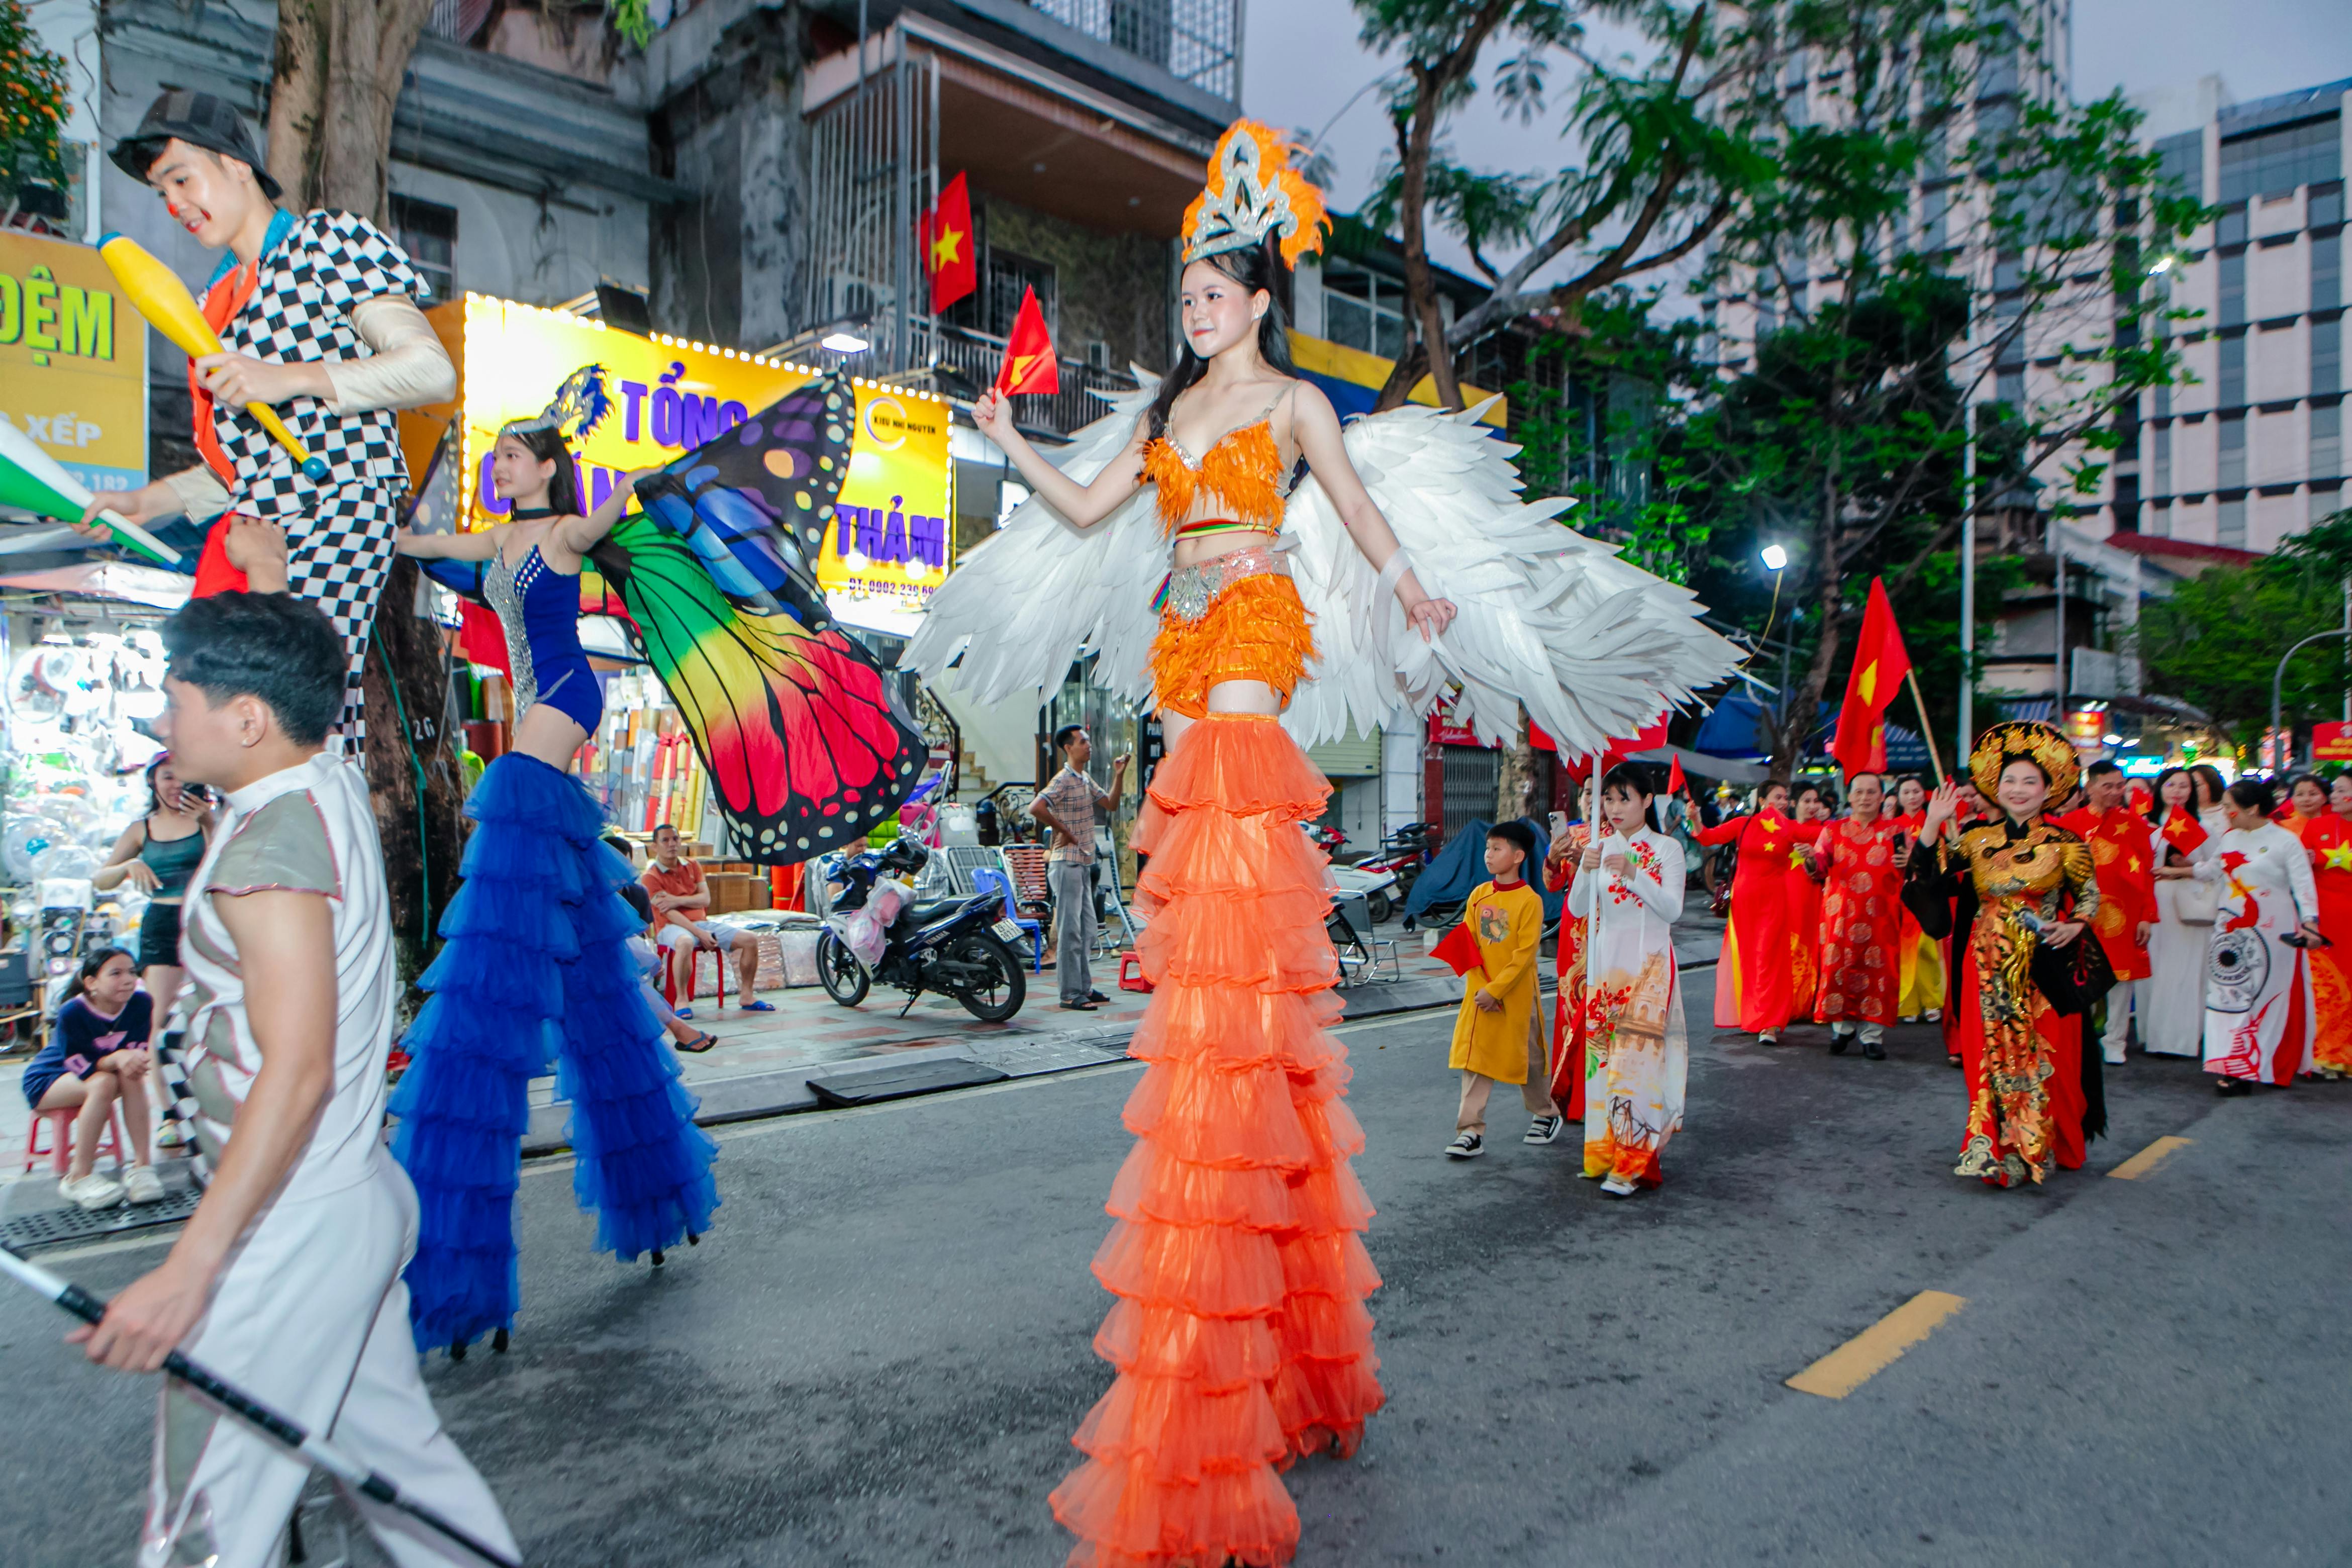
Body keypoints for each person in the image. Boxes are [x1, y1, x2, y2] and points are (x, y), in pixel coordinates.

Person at [69, 591, 516, 1568]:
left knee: (204, 1526)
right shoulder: (322, 777)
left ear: (246, 719)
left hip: (293, 1225)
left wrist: (193, 1270)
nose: (160, 721)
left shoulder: (270, 852)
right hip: (345, 1197)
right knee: (407, 1486)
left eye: (174, 698)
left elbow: (299, 1069)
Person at [390, 428, 721, 1357]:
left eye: (512, 455)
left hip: (568, 696)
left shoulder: (568, 533)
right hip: (538, 708)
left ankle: (463, 1273)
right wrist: (372, 515)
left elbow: (610, 513)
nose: (499, 466)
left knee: (502, 875)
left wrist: (643, 480)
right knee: (583, 954)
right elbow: (418, 543)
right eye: (494, 456)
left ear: (546, 467)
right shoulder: (497, 541)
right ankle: (657, 1198)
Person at [85, 92, 456, 746]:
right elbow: (255, 465)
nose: (174, 204)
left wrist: (289, 378)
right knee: (255, 728)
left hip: (336, 507)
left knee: (294, 724)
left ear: (236, 163)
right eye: (162, 192)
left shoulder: (328, 241)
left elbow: (431, 371)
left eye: (181, 179)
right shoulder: (219, 298)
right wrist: (149, 501)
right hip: (257, 533)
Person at [1907, 722, 2100, 1189]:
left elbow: (2090, 895)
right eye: (2010, 780)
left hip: (2044, 962)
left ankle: (2037, 1145)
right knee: (1988, 1053)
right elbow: (1926, 875)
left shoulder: (2066, 844)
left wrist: (2075, 924)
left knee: (2044, 1053)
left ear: (2049, 789)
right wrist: (1933, 822)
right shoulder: (1975, 840)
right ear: (1996, 786)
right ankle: (1997, 1148)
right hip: (1984, 962)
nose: (2018, 789)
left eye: (2030, 781)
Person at [1557, 765, 1687, 1195]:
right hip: (1606, 967)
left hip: (1649, 967)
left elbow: (1672, 910)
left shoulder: (1668, 849)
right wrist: (1584, 868)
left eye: (1623, 799)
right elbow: (1577, 909)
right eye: (1608, 799)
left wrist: (1634, 873)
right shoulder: (1600, 846)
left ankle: (1632, 1165)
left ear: (1647, 800)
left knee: (1638, 1067)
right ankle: (1601, 1154)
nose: (1613, 808)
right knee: (1601, 1063)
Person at [2189, 775, 2320, 1095]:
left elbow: (2303, 886)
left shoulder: (2285, 841)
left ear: (2253, 808)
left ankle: (2253, 1066)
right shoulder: (2230, 838)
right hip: (2229, 928)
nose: (2225, 813)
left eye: (2230, 808)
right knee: (2225, 994)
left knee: (2264, 996)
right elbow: (2213, 869)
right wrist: (2177, 869)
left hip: (2273, 931)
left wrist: (2311, 922)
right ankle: (2226, 1063)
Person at [1444, 821, 1559, 1159]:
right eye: (1488, 848)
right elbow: (1467, 944)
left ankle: (1545, 1112)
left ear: (1518, 856)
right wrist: (1484, 990)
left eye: (1497, 849)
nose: (1488, 855)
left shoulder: (1530, 901)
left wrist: (1497, 991)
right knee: (1476, 1059)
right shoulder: (1479, 895)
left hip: (1517, 995)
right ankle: (1470, 1131)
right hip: (1480, 994)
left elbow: (1524, 956)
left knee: (1528, 1057)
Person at [21, 947, 164, 1209]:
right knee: (103, 1082)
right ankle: (78, 1177)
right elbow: (79, 1065)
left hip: (100, 1073)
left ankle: (142, 1167)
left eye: (132, 972)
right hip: (49, 1079)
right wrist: (117, 1058)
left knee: (130, 1074)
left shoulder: (141, 1004)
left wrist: (126, 1059)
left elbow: (134, 1052)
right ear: (91, 983)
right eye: (116, 973)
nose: (128, 980)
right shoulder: (73, 1012)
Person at [92, 754, 214, 1049]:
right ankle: (157, 1077)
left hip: (207, 919)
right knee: (158, 1017)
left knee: (211, 1011)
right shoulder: (141, 829)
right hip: (163, 924)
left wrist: (210, 822)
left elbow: (225, 864)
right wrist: (128, 866)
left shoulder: (210, 820)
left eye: (184, 778)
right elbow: (100, 880)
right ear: (153, 782)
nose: (177, 785)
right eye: (168, 777)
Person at [1693, 780, 1824, 1043]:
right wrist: (1695, 818)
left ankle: (1769, 1025)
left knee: (1769, 960)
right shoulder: (1743, 824)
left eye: (1786, 797)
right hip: (1744, 904)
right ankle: (1753, 1015)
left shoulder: (1789, 828)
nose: (1784, 802)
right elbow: (1708, 837)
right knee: (1749, 961)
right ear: (1762, 801)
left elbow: (1823, 835)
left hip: (1774, 903)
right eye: (1778, 797)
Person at [2053, 760, 2158, 1065]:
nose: (2115, 792)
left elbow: (2147, 873)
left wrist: (2147, 916)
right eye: (2108, 786)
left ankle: (2115, 1040)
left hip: (2124, 915)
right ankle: (2080, 1039)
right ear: (2089, 788)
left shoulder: (2135, 825)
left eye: (2120, 786)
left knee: (2121, 979)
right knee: (2079, 974)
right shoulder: (2067, 825)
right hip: (2079, 913)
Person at [1029, 724, 1130, 1012]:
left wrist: (1119, 775)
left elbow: (1110, 804)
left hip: (1084, 862)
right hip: (1067, 863)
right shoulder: (1063, 779)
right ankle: (1070, 993)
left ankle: (1084, 988)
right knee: (1070, 931)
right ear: (1068, 748)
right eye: (1083, 742)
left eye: (1088, 741)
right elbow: (1036, 808)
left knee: (1087, 930)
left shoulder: (1083, 778)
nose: (1089, 745)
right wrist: (1063, 830)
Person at [1809, 772, 1903, 1059]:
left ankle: (1872, 1036)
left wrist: (1911, 862)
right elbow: (1819, 868)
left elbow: (1911, 870)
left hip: (1881, 918)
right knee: (1839, 970)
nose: (1865, 798)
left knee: (1878, 974)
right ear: (1849, 797)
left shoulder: (1897, 832)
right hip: (1840, 917)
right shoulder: (1832, 831)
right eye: (1859, 792)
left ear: (1882, 796)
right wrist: (1809, 859)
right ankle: (1842, 1028)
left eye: (1871, 792)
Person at [2141, 765, 2226, 1058]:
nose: (2177, 791)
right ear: (2159, 789)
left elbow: (2219, 866)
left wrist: (2185, 870)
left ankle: (2178, 1040)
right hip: (2151, 903)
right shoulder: (2142, 824)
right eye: (2171, 785)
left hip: (2187, 905)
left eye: (2184, 786)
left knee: (2182, 970)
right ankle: (2151, 1034)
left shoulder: (2202, 827)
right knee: (2153, 969)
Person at [638, 822, 766, 1016]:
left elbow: (705, 899)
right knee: (685, 942)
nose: (672, 844)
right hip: (671, 927)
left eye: (675, 839)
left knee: (750, 940)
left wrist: (676, 900)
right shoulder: (650, 877)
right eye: (665, 840)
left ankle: (747, 995)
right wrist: (700, 933)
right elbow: (669, 913)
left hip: (702, 923)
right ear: (655, 846)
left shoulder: (692, 866)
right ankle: (682, 1000)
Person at [617, 883, 720, 1054]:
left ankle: (674, 1025)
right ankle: (676, 1025)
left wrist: (648, 956)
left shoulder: (636, 892)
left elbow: (644, 933)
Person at [2302, 773, 2352, 1077]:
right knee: (2326, 988)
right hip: (2324, 918)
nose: (2333, 796)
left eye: (2342, 791)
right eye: (2333, 790)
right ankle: (2323, 1054)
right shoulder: (2317, 826)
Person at [1889, 774, 1945, 1022]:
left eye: (1916, 791)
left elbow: (1945, 856)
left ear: (1925, 794)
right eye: (1906, 793)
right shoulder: (1892, 826)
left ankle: (1932, 1001)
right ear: (1899, 798)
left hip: (1930, 891)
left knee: (1928, 948)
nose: (1912, 797)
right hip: (1903, 894)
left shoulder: (1937, 821)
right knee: (1905, 949)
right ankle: (1908, 1004)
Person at [1787, 781, 1832, 1021]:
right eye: (1807, 801)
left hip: (1815, 894)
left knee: (1815, 946)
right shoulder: (1783, 829)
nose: (1813, 806)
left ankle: (1813, 1002)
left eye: (1816, 801)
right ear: (1794, 803)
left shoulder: (1828, 832)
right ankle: (1789, 1003)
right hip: (1787, 896)